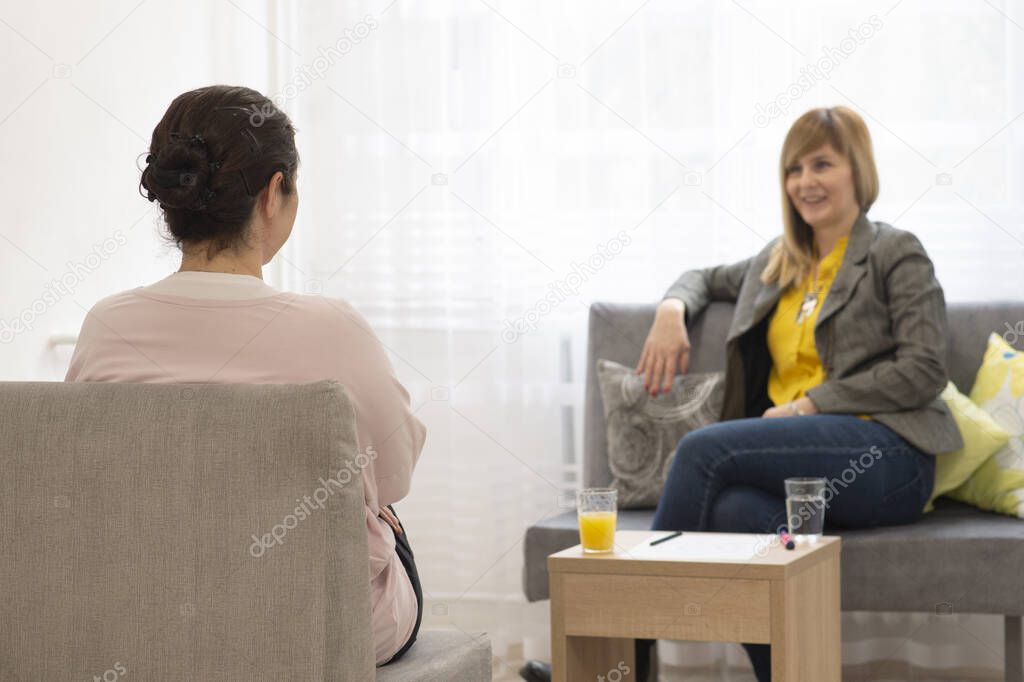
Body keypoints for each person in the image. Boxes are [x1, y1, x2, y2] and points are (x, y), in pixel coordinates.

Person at [64, 85, 427, 667]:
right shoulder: (331, 326)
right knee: (380, 508)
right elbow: (395, 474)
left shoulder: (108, 326)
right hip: (327, 626)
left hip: (150, 622)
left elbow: (88, 482)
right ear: (274, 192)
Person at [632, 105, 963, 680]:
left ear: (857, 170)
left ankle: (625, 655)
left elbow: (925, 367)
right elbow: (703, 278)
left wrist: (815, 402)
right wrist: (670, 308)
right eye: (793, 169)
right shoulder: (777, 260)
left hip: (886, 454)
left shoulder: (893, 252)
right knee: (735, 513)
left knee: (703, 450)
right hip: (797, 462)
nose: (805, 182)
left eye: (822, 164)